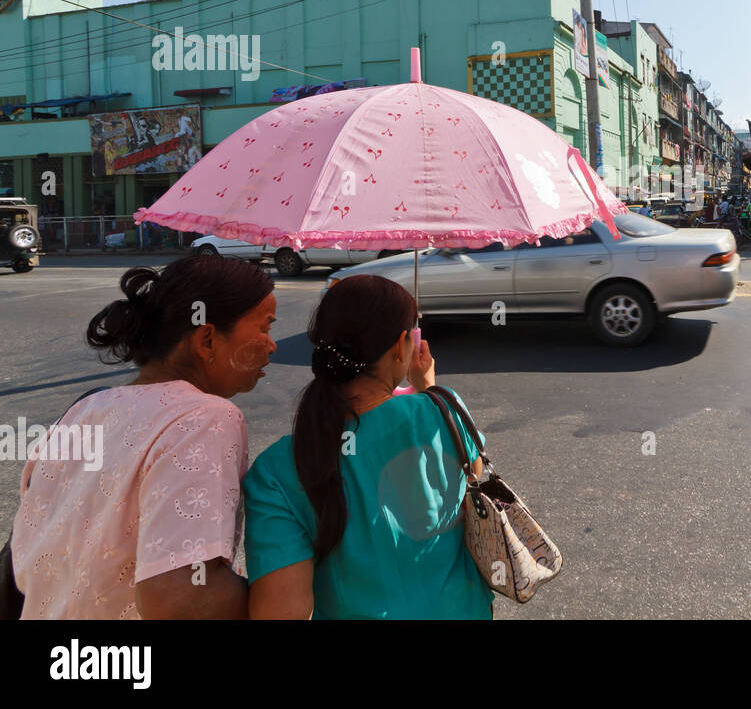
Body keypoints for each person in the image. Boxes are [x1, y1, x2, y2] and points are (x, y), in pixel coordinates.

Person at [10, 255, 276, 618]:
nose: (271, 345)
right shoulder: (204, 417)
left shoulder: (87, 408)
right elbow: (181, 599)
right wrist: (283, 589)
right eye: (265, 328)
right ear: (208, 340)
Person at [242, 275, 492, 619]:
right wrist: (430, 391)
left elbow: (281, 610)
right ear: (401, 345)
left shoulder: (277, 470)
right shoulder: (443, 413)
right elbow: (471, 480)